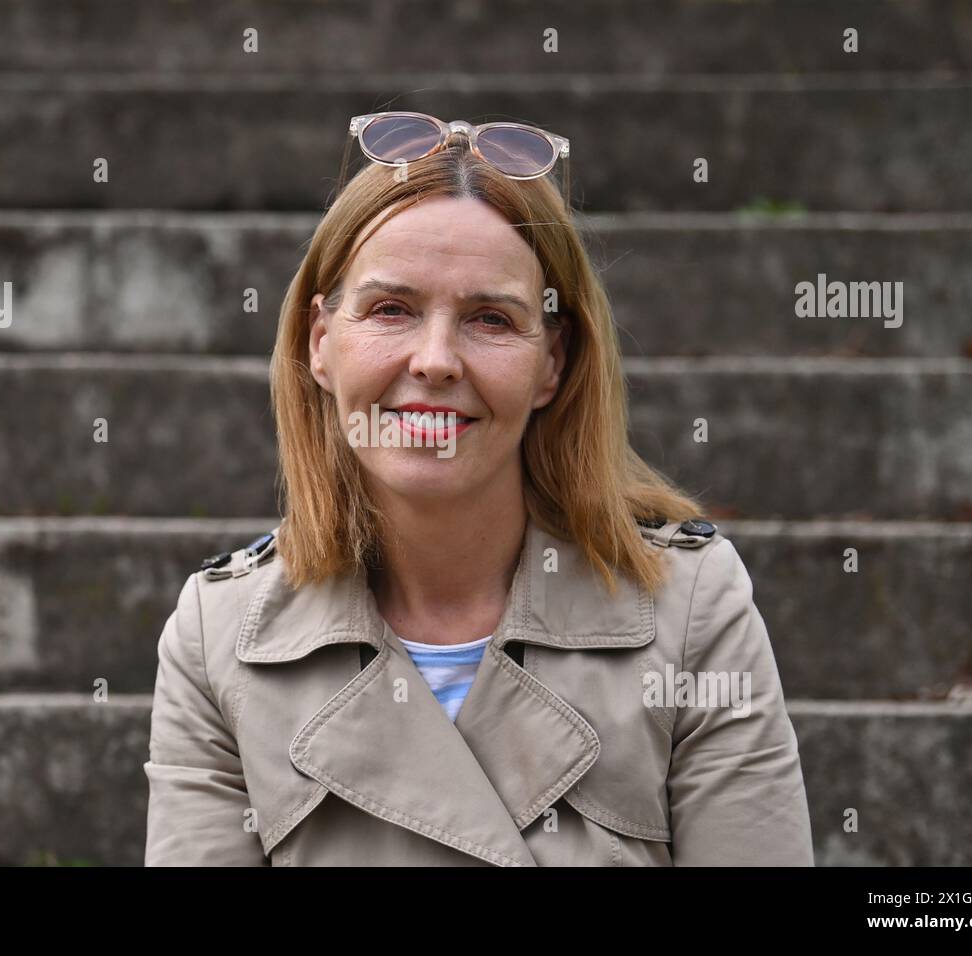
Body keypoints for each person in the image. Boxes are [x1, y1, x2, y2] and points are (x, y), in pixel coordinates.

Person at [144, 112, 814, 866]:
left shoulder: (690, 611)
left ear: (552, 364)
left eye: (490, 319)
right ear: (319, 342)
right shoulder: (220, 637)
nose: (435, 361)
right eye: (391, 309)